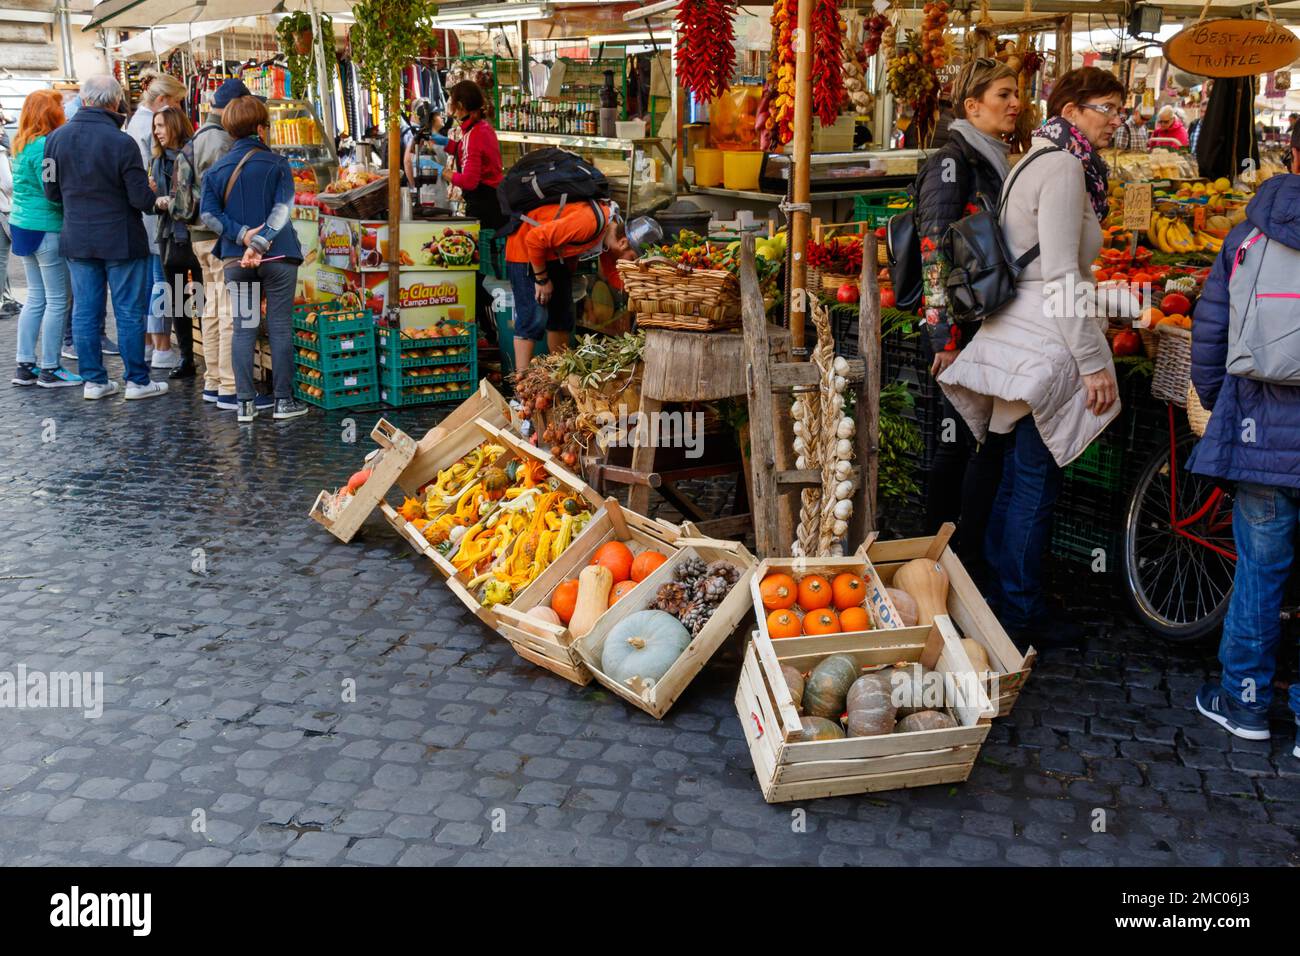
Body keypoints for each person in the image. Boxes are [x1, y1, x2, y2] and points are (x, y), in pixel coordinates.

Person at [938, 67, 1127, 649]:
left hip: (1016, 335)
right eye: (1107, 108)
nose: (1116, 119)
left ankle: (1000, 597)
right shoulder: (1067, 167)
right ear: (1071, 111)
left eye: (1121, 108)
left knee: (1018, 478)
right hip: (1045, 344)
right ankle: (1020, 611)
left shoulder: (1035, 157)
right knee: (1033, 486)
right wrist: (1095, 363)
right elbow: (1063, 275)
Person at [1187, 124, 1300, 754]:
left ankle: (1245, 704)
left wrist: (1216, 401)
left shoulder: (1248, 234)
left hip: (1262, 434)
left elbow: (1210, 329)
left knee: (1260, 575)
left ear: (1292, 154)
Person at [914, 57, 1019, 570]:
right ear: (972, 106)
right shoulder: (950, 163)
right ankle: (939, 560)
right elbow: (933, 251)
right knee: (956, 444)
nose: (1014, 103)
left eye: (1016, 94)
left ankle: (964, 557)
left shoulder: (996, 160)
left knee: (979, 442)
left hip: (986, 319)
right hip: (959, 326)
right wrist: (944, 340)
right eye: (1003, 95)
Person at [43, 75, 166, 401]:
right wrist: (152, 192)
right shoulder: (122, 142)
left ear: (84, 100)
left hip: (78, 238)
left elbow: (50, 190)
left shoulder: (54, 141)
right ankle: (137, 381)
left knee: (85, 311)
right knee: (128, 311)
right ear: (114, 102)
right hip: (121, 239)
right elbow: (141, 200)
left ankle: (94, 381)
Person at [199, 94, 308, 423]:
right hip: (278, 257)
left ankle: (244, 403)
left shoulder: (217, 170)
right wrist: (260, 242)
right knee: (279, 328)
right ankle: (283, 402)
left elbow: (208, 215)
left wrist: (242, 236)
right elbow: (282, 210)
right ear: (260, 128)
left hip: (235, 260)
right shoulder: (277, 163)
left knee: (244, 329)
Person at [504, 199, 654, 372]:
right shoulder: (589, 222)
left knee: (562, 318)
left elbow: (614, 275)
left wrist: (639, 293)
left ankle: (559, 376)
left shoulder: (612, 233)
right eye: (632, 258)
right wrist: (542, 279)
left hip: (556, 255)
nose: (631, 263)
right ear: (623, 243)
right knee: (533, 317)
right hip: (526, 249)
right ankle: (521, 384)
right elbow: (534, 239)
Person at [8, 89, 80, 388]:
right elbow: (51, 191)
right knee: (57, 300)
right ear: (51, 113)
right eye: (60, 107)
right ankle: (51, 367)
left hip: (22, 224)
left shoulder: (21, 144)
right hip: (46, 227)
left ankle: (25, 363)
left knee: (36, 298)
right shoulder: (45, 147)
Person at [125, 71, 186, 370]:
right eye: (176, 102)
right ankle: (163, 347)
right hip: (157, 217)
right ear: (162, 100)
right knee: (162, 283)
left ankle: (151, 344)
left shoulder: (134, 123)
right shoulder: (151, 126)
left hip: (146, 217)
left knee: (153, 282)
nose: (178, 109)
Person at [186, 78, 240, 407]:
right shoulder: (221, 140)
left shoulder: (199, 135)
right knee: (228, 310)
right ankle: (230, 387)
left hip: (197, 235)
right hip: (217, 235)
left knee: (212, 309)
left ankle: (213, 380)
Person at [149, 106, 201, 379]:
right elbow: (151, 202)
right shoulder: (157, 161)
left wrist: (172, 203)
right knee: (179, 300)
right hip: (170, 236)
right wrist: (158, 201)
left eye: (161, 126)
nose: (156, 132)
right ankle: (187, 358)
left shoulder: (192, 155)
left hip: (196, 234)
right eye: (155, 126)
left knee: (202, 298)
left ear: (175, 126)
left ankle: (212, 356)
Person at [0, 119, 18, 318]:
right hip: (2, 208)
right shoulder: (1, 152)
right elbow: (8, 184)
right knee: (1, 259)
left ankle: (6, 298)